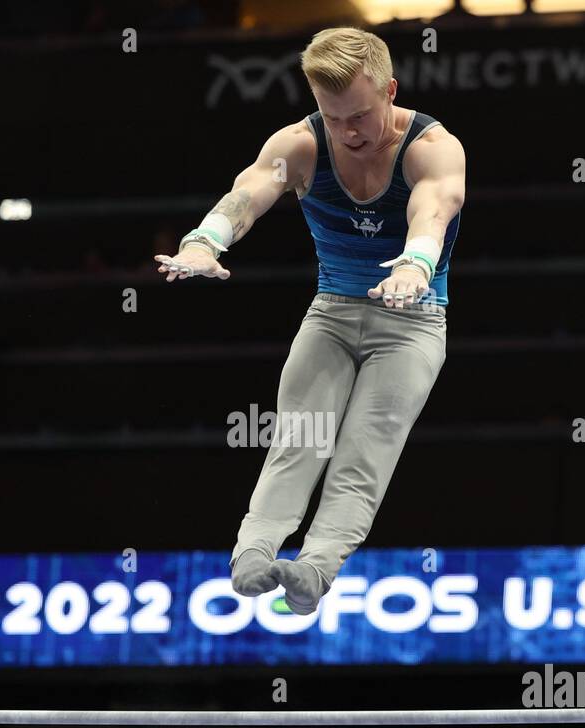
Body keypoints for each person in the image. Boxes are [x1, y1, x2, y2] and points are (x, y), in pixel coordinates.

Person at [155, 27, 464, 614]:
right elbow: (249, 190)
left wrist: (417, 263)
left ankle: (315, 569)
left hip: (413, 320)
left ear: (391, 90)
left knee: (363, 451)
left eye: (361, 116)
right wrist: (205, 242)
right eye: (333, 116)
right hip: (333, 314)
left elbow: (435, 205)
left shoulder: (434, 146)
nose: (348, 132)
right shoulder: (300, 144)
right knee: (300, 440)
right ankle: (253, 552)